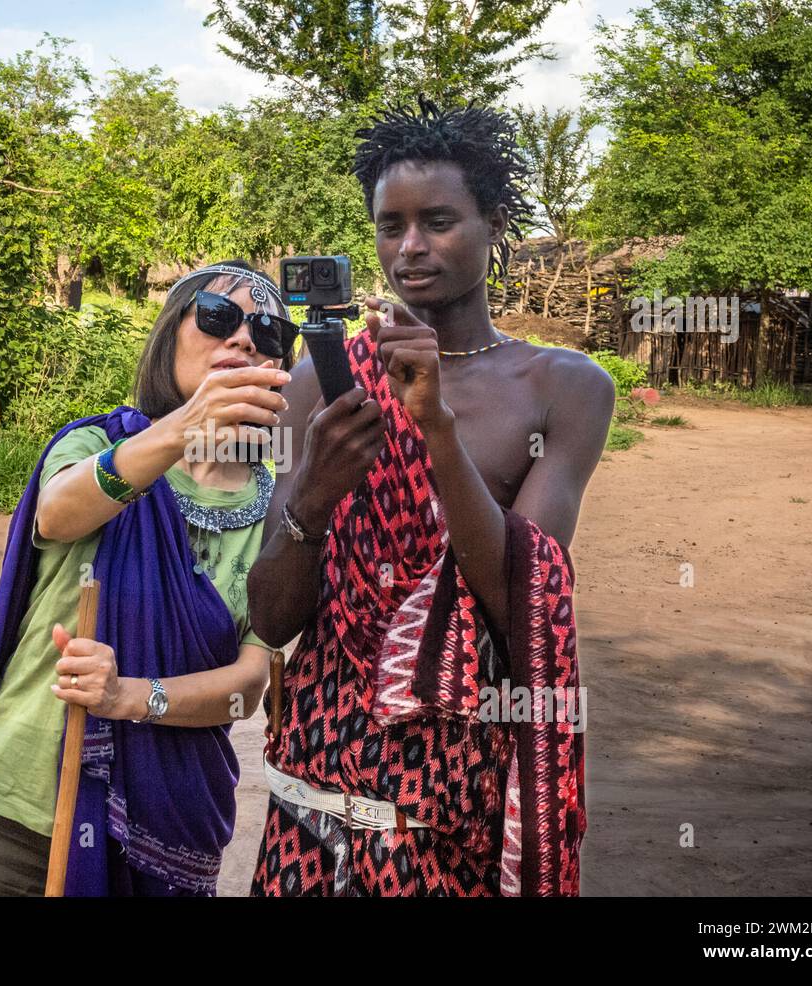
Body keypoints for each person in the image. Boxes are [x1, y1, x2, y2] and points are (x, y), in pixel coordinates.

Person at [247, 98, 615, 896]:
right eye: (391, 225)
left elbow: (523, 599)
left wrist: (435, 428)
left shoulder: (562, 389)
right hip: (313, 798)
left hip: (451, 812)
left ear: (494, 221)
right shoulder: (323, 380)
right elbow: (272, 620)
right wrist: (312, 497)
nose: (410, 247)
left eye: (439, 220)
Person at [0, 260, 298, 896]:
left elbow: (248, 688)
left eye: (269, 332)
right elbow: (58, 512)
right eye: (220, 317)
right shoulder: (95, 444)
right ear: (170, 331)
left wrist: (130, 698)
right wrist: (183, 430)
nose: (244, 339)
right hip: (16, 811)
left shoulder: (277, 510)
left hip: (163, 829)